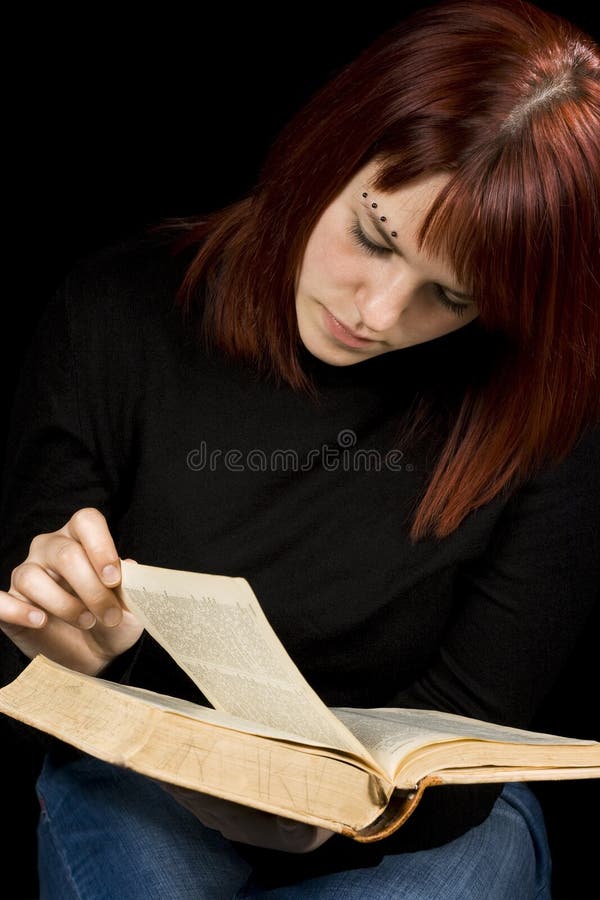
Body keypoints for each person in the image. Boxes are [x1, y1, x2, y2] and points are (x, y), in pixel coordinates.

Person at [1, 0, 599, 897]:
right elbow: (24, 667)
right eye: (374, 235)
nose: (378, 314)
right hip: (147, 778)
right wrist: (72, 652)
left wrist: (319, 819)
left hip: (422, 818)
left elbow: (473, 725)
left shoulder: (543, 410)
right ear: (330, 148)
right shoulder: (118, 313)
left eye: (453, 297)